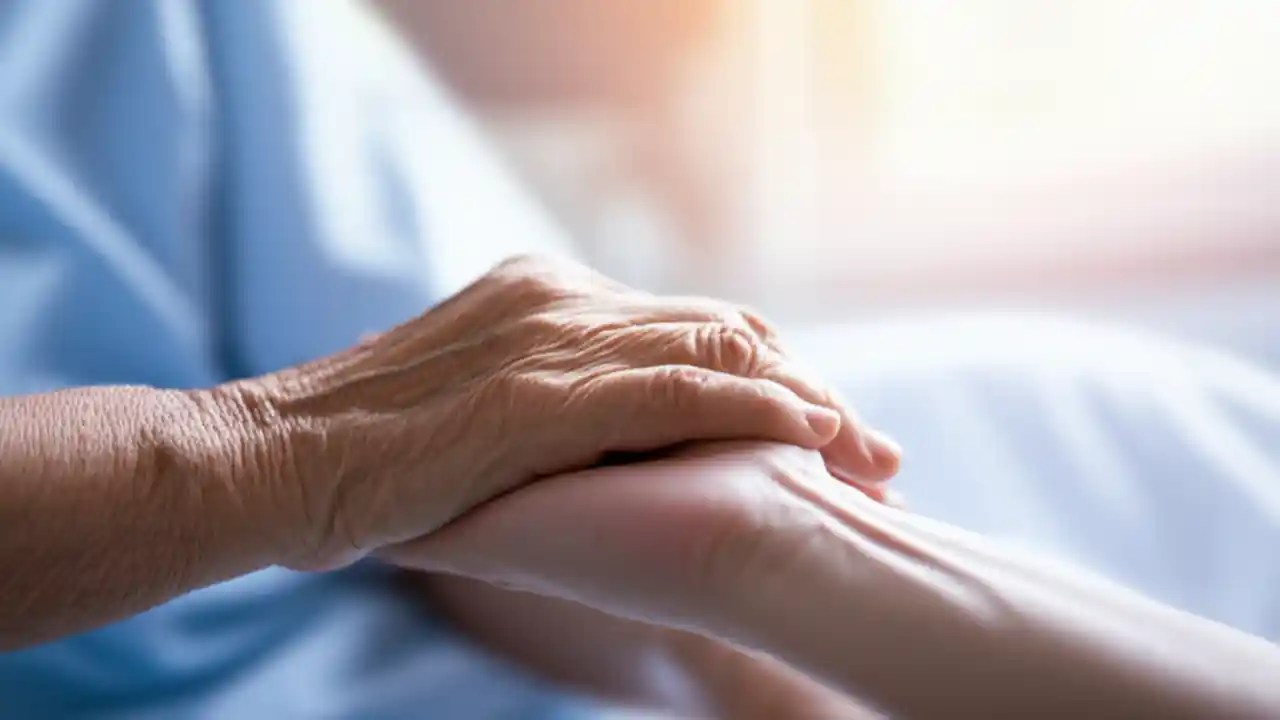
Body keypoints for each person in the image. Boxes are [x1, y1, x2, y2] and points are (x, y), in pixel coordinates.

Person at [3, 2, 1279, 718]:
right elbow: (358, 433)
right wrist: (276, 456)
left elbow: (485, 393)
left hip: (497, 624)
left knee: (1173, 451)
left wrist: (747, 639)